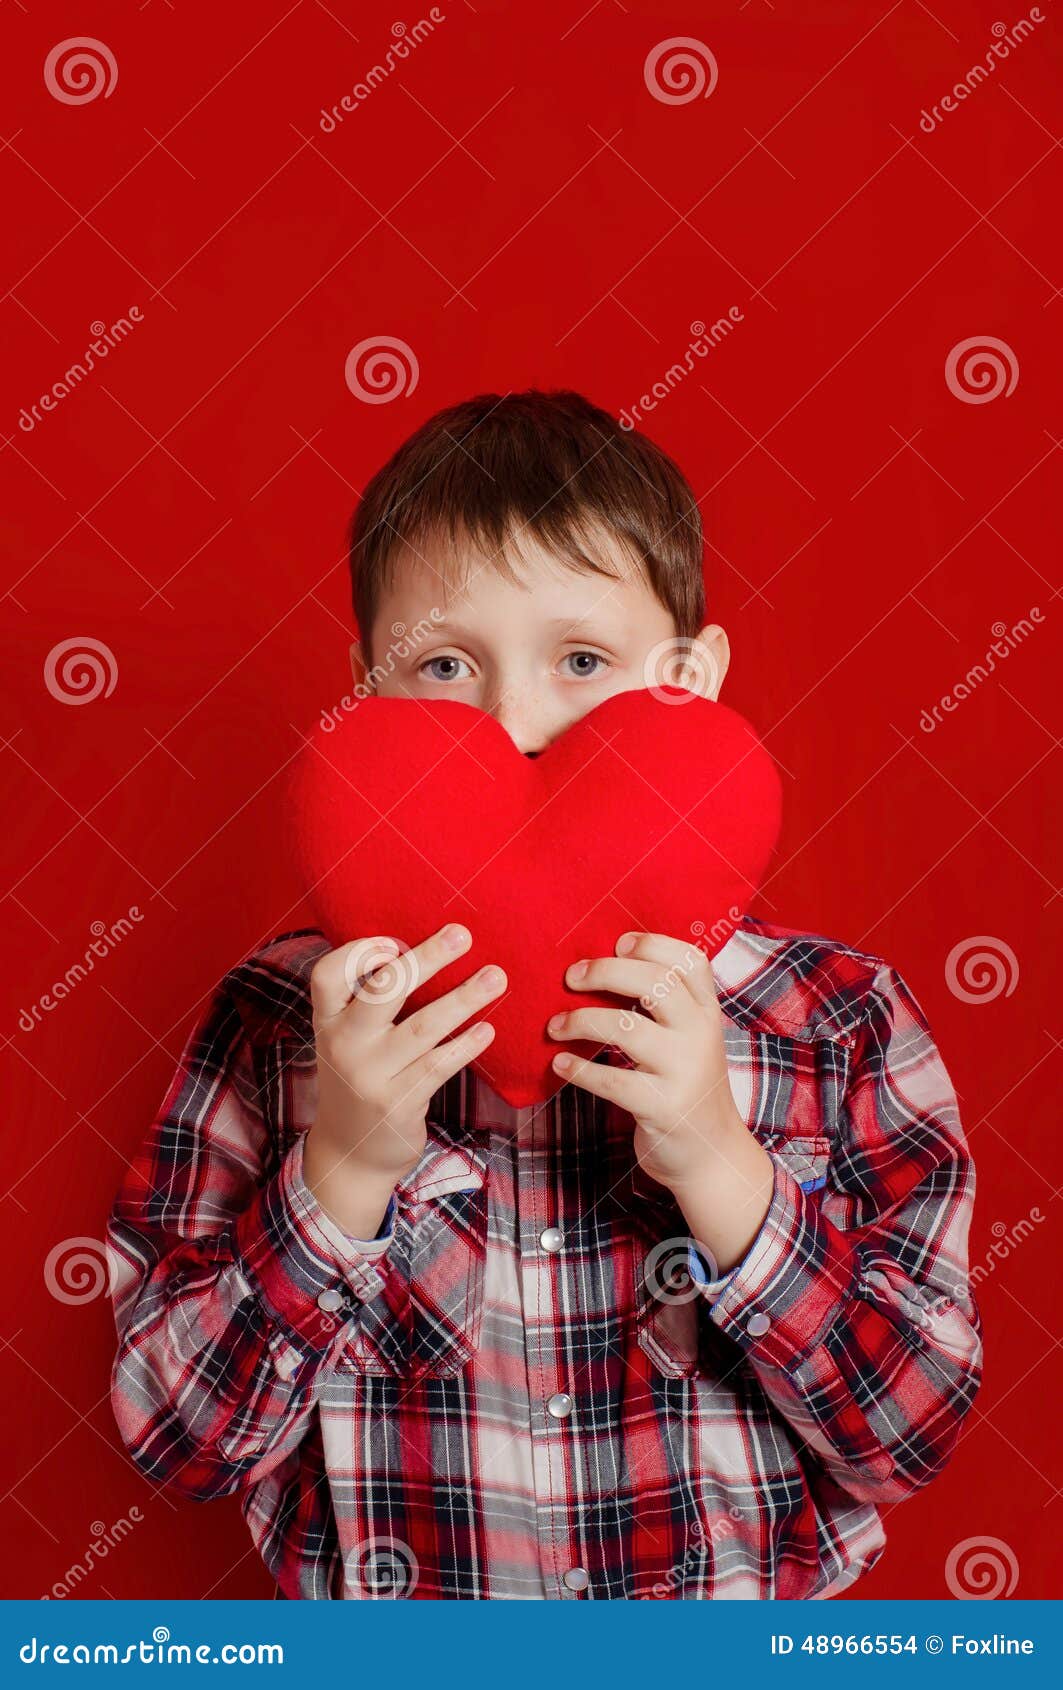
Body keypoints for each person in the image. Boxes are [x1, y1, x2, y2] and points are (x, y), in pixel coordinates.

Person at [107, 390, 982, 1600]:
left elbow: (910, 1431)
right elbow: (178, 1437)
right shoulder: (272, 1025)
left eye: (580, 659)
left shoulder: (834, 1019)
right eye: (445, 664)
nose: (512, 721)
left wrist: (722, 1164)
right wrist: (343, 1170)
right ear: (367, 691)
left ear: (690, 677)